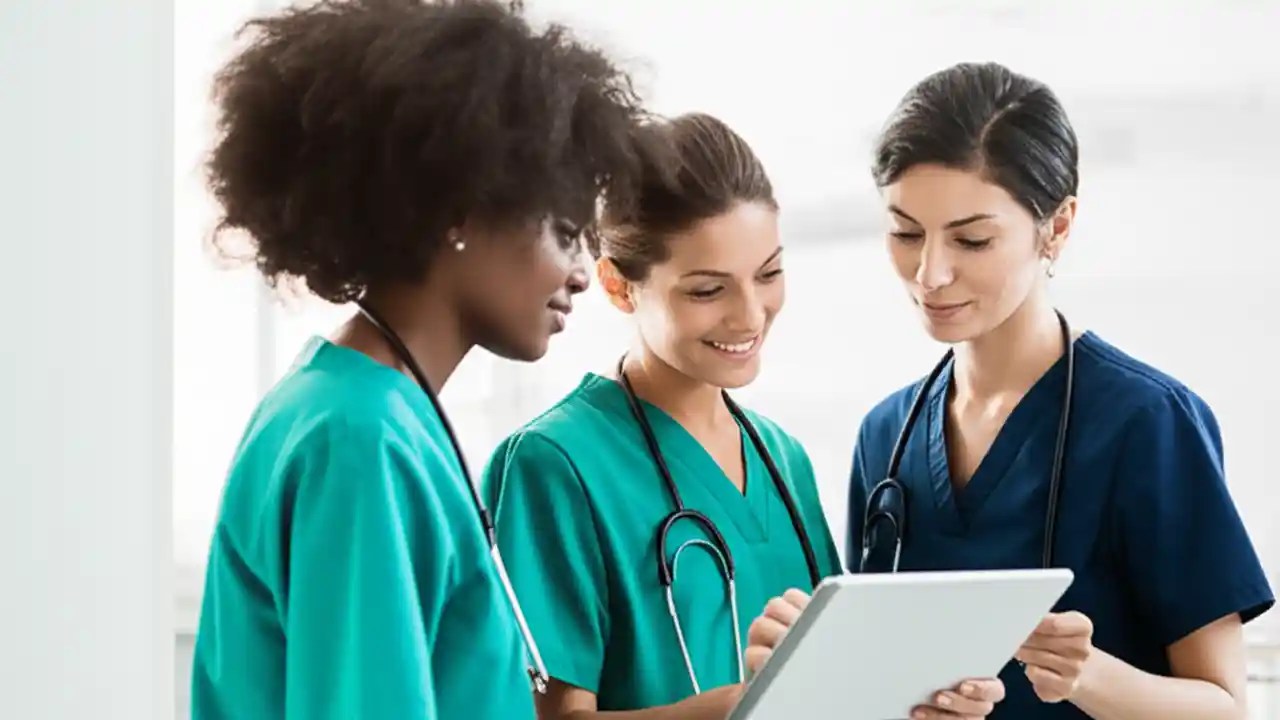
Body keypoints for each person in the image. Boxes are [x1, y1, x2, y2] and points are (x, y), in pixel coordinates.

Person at [188, 1, 660, 718]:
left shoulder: (359, 406)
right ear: (461, 211)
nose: (578, 274)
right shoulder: (359, 439)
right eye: (565, 233)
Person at [480, 112, 1005, 720]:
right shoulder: (553, 464)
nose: (750, 315)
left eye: (770, 274)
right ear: (620, 287)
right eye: (708, 290)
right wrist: (736, 710)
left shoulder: (783, 460)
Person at [826, 61, 1273, 719]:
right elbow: (877, 682)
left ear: (1056, 227)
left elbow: (1224, 708)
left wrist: (1086, 676)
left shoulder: (1146, 423)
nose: (930, 273)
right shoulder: (886, 436)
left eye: (972, 239)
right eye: (905, 233)